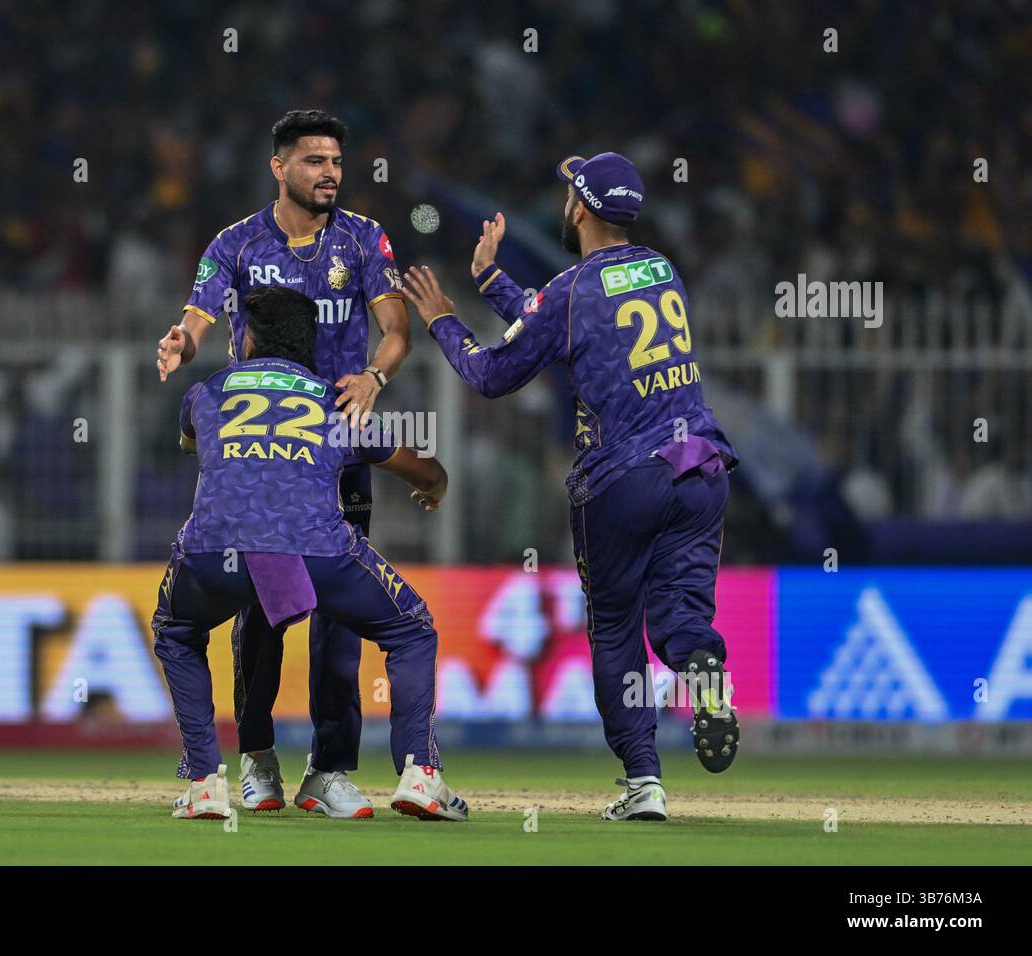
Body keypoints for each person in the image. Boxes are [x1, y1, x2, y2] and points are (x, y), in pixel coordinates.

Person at [401, 152, 740, 822]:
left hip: (624, 478)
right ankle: (706, 672)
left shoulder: (572, 290)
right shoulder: (660, 270)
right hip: (702, 466)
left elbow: (493, 374)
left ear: (578, 207)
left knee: (615, 630)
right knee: (680, 621)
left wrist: (444, 317)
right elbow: (559, 318)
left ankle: (645, 784)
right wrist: (493, 279)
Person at [156, 110, 411, 817]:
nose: (329, 172)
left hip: (337, 448)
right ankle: (258, 758)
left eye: (336, 160)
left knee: (340, 610)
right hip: (270, 451)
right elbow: (200, 312)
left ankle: (329, 769)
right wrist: (183, 341)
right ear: (279, 167)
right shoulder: (236, 242)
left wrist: (374, 379)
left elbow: (396, 328)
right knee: (261, 611)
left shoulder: (363, 239)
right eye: (313, 161)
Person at [152, 287, 465, 822]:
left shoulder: (207, 391)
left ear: (247, 338)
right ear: (311, 345)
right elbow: (423, 469)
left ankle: (206, 782)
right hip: (316, 551)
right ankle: (419, 775)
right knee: (411, 629)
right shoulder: (335, 399)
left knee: (176, 631)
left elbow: (189, 443)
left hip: (216, 552)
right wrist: (435, 487)